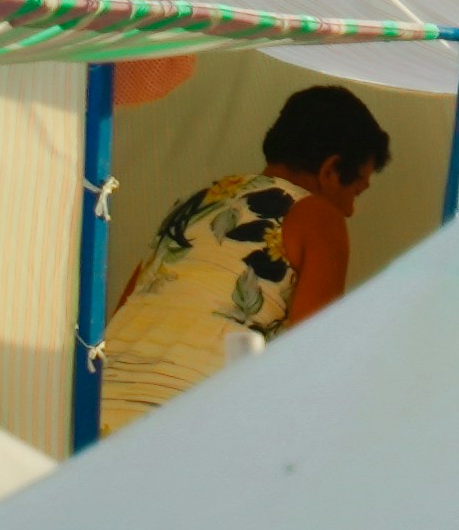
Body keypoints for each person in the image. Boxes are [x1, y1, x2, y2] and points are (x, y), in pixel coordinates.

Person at [99, 84, 393, 424]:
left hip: (99, 412)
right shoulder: (318, 217)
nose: (351, 211)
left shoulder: (198, 201)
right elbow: (311, 354)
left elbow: (128, 305)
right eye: (356, 191)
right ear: (331, 170)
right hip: (188, 414)